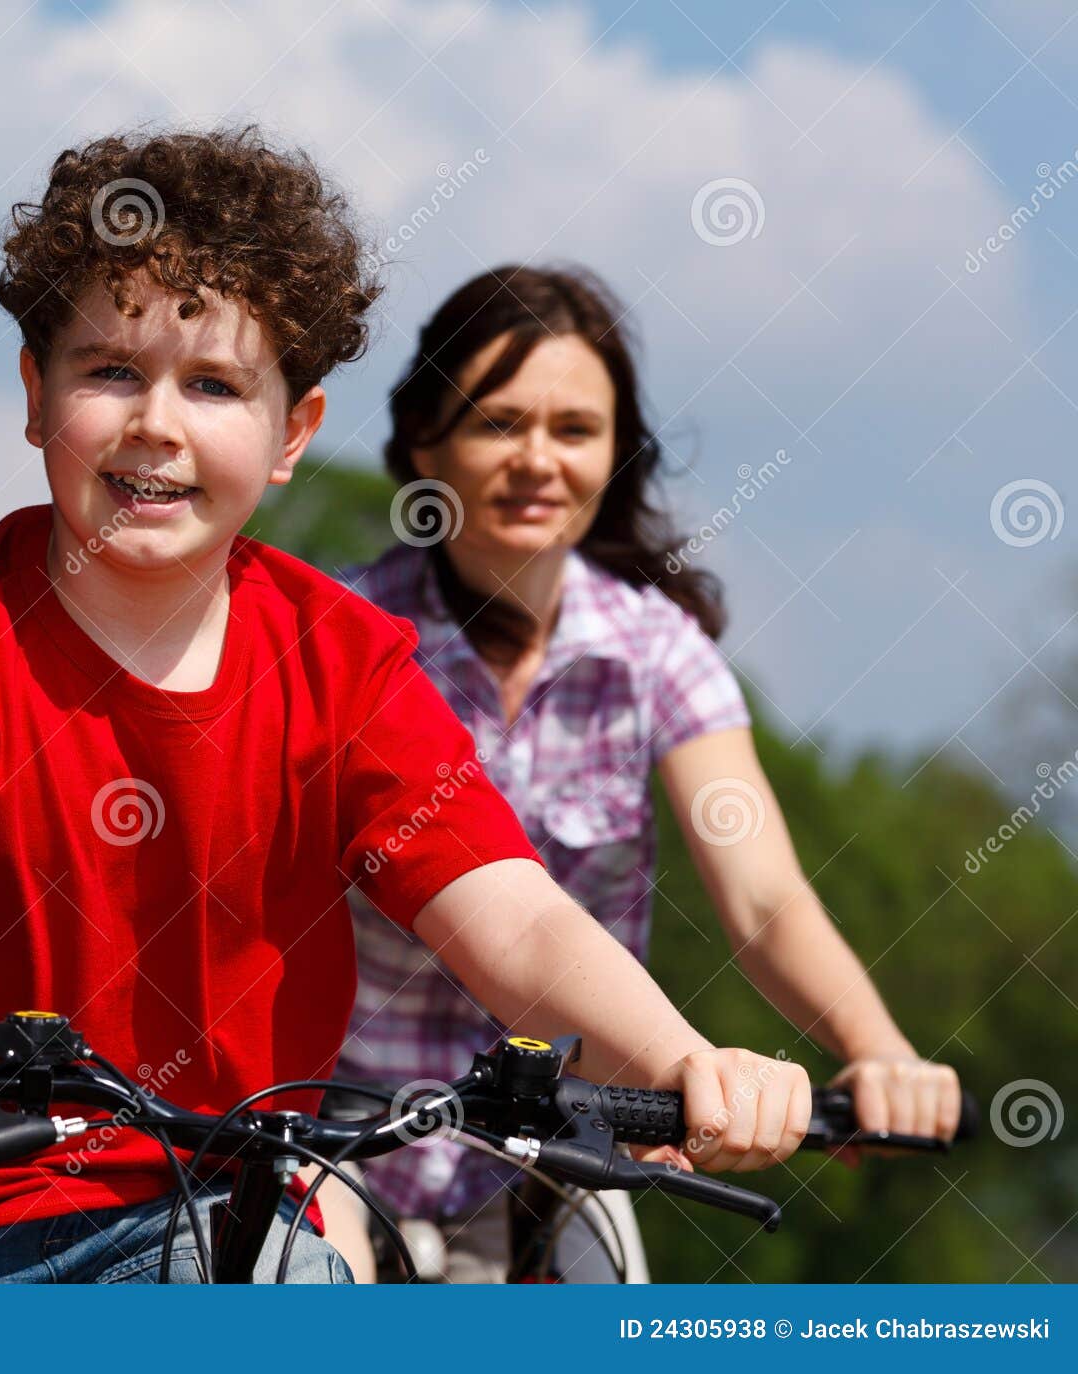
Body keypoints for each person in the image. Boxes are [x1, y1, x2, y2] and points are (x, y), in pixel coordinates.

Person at [0, 132, 812, 1285]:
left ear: (293, 433)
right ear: (35, 396)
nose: (158, 423)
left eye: (215, 385)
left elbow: (516, 921)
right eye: (110, 371)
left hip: (200, 1220)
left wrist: (688, 1061)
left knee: (299, 1288)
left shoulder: (345, 666)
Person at [315, 264, 962, 1283]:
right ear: (423, 443)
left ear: (616, 454)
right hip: (338, 1136)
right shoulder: (338, 638)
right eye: (496, 423)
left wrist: (875, 1048)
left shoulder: (660, 653)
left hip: (561, 1145)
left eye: (574, 430)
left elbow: (763, 898)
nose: (536, 460)